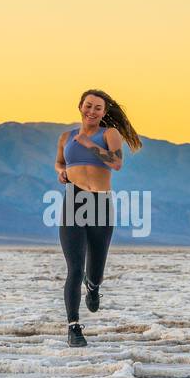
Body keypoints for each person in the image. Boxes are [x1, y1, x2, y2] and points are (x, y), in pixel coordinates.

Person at [54, 89, 142, 346]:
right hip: (74, 201)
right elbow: (60, 163)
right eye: (88, 106)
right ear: (80, 106)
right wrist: (61, 172)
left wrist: (90, 145)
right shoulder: (65, 137)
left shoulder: (108, 134)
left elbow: (116, 163)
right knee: (74, 269)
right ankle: (74, 327)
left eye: (98, 108)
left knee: (95, 271)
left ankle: (93, 287)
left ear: (104, 113)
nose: (91, 111)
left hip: (100, 203)